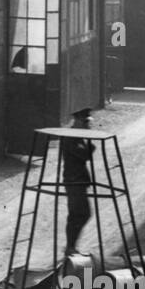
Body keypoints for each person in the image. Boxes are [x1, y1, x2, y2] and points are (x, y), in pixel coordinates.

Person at [62, 106, 95, 261]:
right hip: (74, 181)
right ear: (77, 121)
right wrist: (89, 145)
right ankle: (70, 247)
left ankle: (71, 246)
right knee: (79, 214)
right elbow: (83, 155)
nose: (87, 125)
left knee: (80, 214)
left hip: (78, 181)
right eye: (85, 122)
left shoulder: (78, 135)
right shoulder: (70, 136)